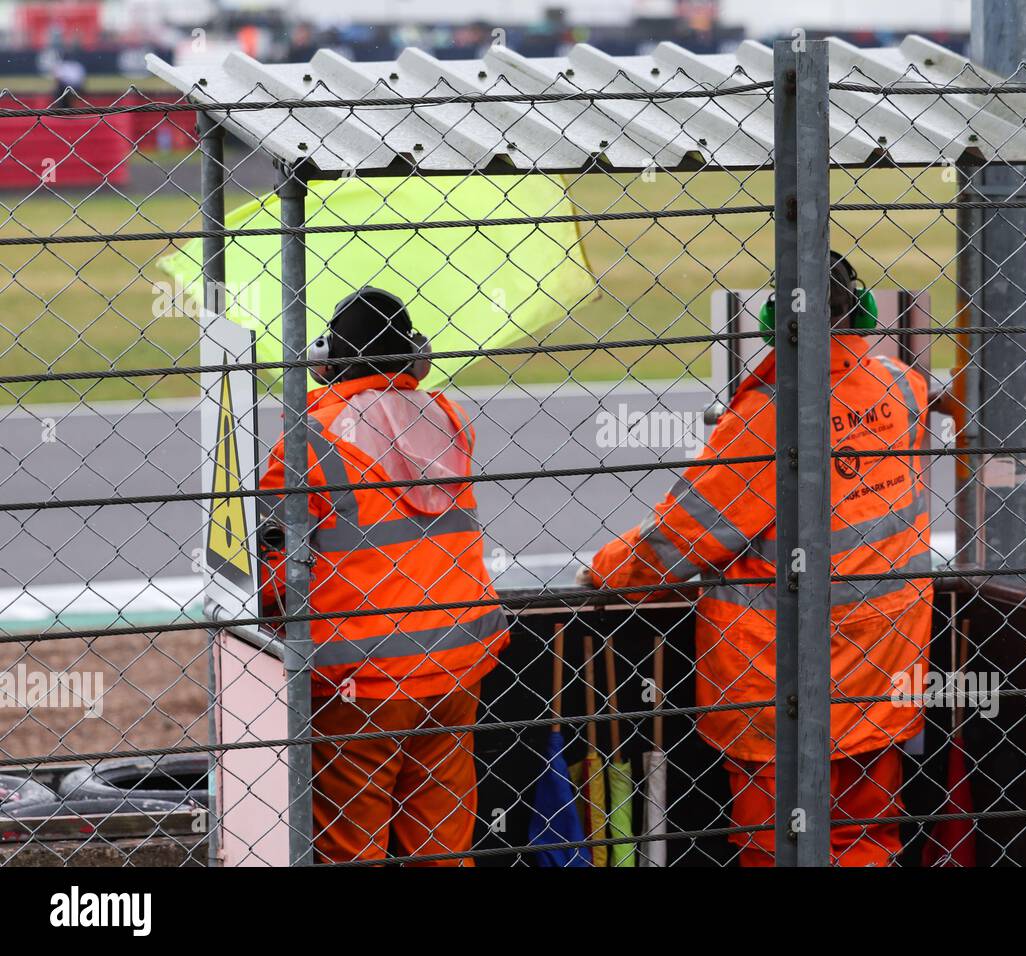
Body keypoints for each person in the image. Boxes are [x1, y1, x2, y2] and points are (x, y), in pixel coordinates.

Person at [583, 252, 944, 866]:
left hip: (780, 682)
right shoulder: (898, 386)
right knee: (866, 838)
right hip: (884, 669)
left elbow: (680, 540)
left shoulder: (767, 417)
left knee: (774, 847)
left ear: (776, 323)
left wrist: (605, 575)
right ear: (861, 312)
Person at [260, 287, 507, 865]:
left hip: (360, 681)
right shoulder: (449, 420)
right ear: (416, 357)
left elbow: (273, 575)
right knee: (442, 846)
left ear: (324, 363)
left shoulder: (305, 441)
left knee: (352, 848)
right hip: (456, 662)